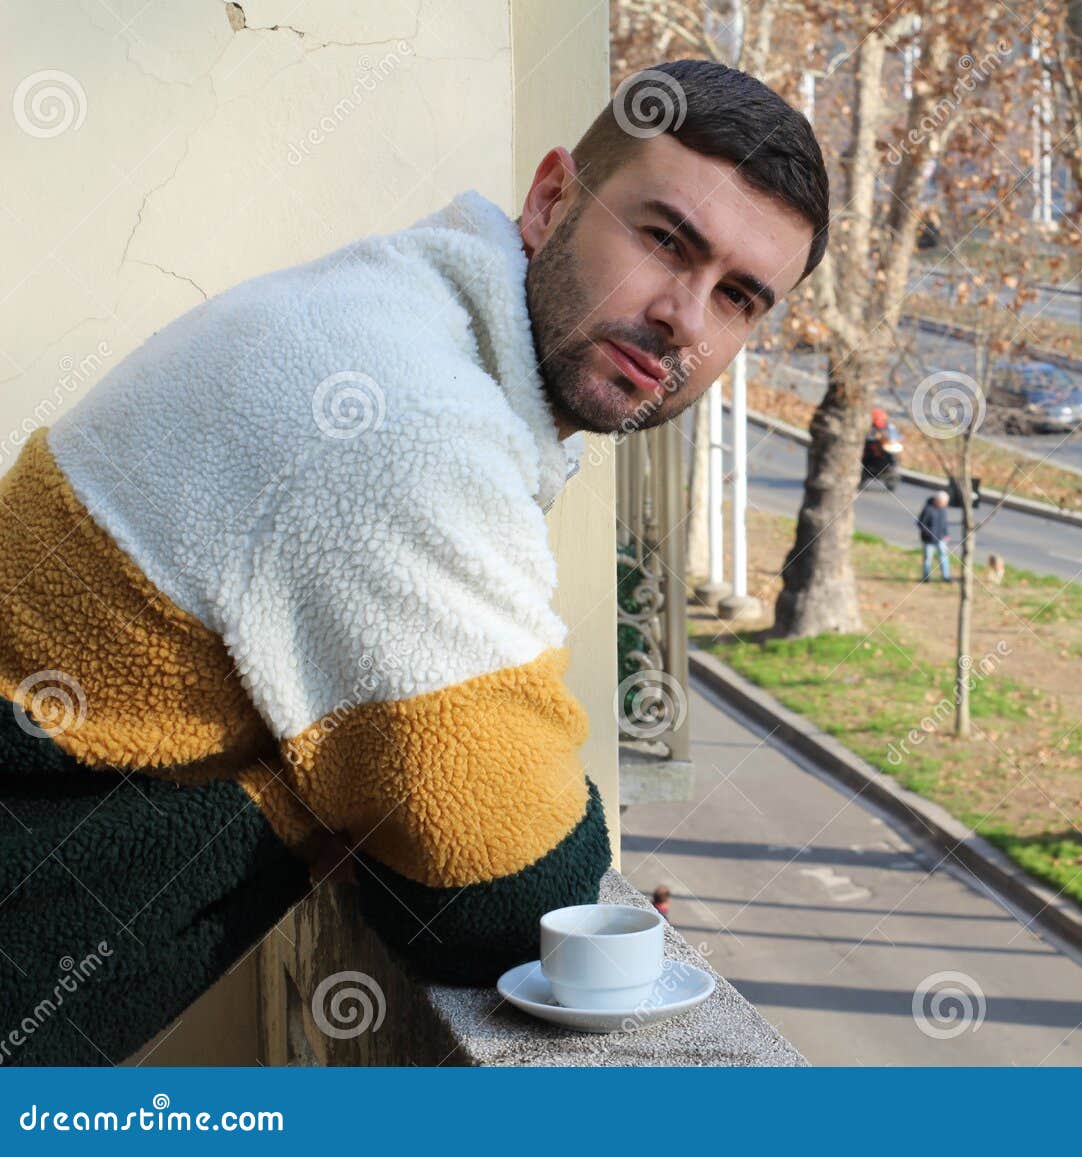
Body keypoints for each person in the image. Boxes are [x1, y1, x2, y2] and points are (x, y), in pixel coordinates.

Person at [0, 59, 829, 1065]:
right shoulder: (409, 420)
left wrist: (364, 776)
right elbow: (518, 892)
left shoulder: (404, 311)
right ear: (551, 198)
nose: (683, 318)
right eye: (663, 241)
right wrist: (332, 791)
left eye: (738, 295)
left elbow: (449, 800)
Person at [917, 490, 954, 582]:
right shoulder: (928, 509)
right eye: (943, 503)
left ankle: (946, 577)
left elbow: (944, 524)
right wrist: (929, 534)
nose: (945, 505)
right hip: (929, 540)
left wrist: (946, 534)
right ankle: (926, 577)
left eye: (946, 503)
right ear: (937, 501)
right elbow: (920, 524)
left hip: (941, 539)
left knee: (943, 557)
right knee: (928, 559)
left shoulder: (943, 509)